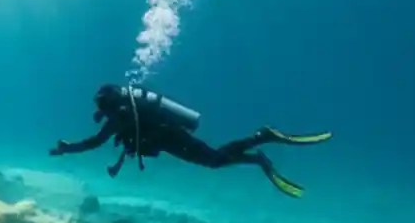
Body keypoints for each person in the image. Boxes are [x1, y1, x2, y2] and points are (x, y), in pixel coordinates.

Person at [48, 83, 331, 197]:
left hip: (172, 138)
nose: (102, 113)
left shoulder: (120, 116)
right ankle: (256, 155)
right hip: (170, 140)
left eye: (103, 107)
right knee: (214, 161)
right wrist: (68, 148)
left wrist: (67, 149)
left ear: (110, 105)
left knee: (213, 160)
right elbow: (99, 140)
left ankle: (261, 138)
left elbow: (96, 142)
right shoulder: (123, 112)